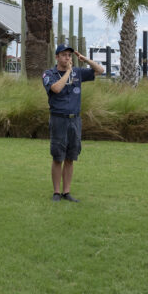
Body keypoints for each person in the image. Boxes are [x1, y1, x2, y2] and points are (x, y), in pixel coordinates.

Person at [42, 44, 104, 202]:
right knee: (58, 157)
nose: (67, 58)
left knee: (70, 157)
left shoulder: (78, 72)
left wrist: (86, 60)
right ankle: (56, 192)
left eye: (69, 55)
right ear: (57, 57)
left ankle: (66, 192)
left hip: (74, 120)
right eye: (63, 55)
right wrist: (68, 72)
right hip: (58, 119)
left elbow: (100, 71)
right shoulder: (49, 73)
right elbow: (55, 89)